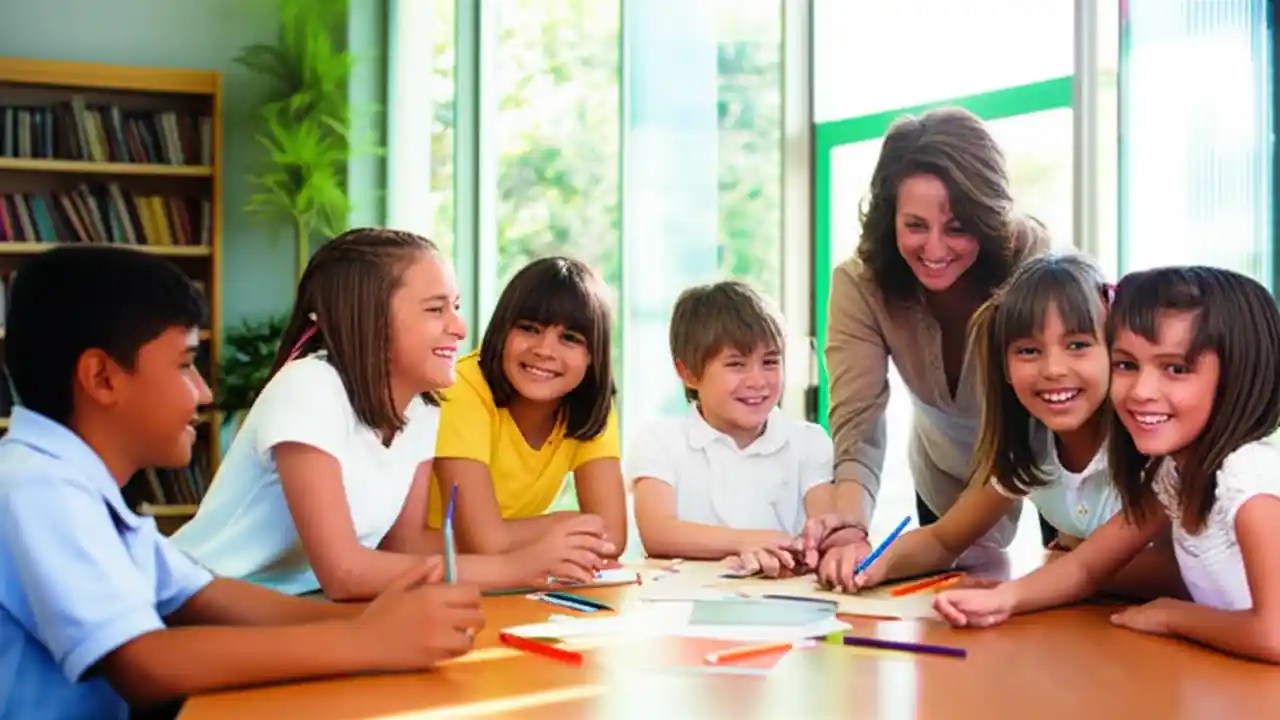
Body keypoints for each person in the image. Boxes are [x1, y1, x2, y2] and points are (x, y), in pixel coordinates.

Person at [0, 246, 482, 720]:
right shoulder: (37, 487)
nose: (205, 392)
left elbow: (205, 597)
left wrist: (384, 622)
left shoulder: (78, 486)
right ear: (102, 378)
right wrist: (366, 639)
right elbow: (144, 664)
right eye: (185, 365)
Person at [174, 229, 582, 599]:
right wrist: (512, 568)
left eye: (455, 306)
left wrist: (544, 543)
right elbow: (345, 573)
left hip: (296, 606)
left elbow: (402, 546)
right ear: (370, 318)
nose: (459, 327)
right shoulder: (310, 388)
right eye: (436, 309)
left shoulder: (421, 410)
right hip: (195, 604)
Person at [935, 266, 1280, 664]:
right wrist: (1005, 598)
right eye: (1126, 365)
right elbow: (1086, 567)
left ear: (1239, 375)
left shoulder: (1248, 476)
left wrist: (1174, 616)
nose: (1140, 392)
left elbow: (1273, 635)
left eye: (1176, 369)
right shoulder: (1175, 476)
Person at [839, 253, 1182, 599]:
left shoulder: (1153, 445)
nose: (1053, 369)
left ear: (1115, 351)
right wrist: (872, 564)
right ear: (1004, 365)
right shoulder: (1029, 447)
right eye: (1029, 351)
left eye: (1077, 346)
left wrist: (1065, 564)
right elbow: (943, 539)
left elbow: (1176, 573)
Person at [816, 106, 1051, 583]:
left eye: (958, 227)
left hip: (1049, 452)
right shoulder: (860, 285)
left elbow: (1038, 424)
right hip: (943, 468)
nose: (937, 249)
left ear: (987, 219)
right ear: (890, 219)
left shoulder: (1030, 257)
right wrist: (847, 529)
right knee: (947, 615)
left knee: (1070, 609)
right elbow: (857, 425)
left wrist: (938, 542)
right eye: (916, 226)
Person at [430, 257, 625, 573]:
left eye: (570, 338)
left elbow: (612, 538)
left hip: (510, 579)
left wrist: (512, 539)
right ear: (501, 330)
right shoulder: (462, 388)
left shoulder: (590, 403)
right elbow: (484, 542)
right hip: (428, 573)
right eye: (529, 329)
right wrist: (567, 523)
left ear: (593, 356)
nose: (545, 350)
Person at [627, 281, 837, 576]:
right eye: (737, 364)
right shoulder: (659, 440)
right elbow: (658, 533)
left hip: (786, 600)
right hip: (684, 607)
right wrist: (747, 541)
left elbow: (824, 526)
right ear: (688, 373)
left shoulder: (809, 441)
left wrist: (815, 546)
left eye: (770, 362)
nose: (757, 381)